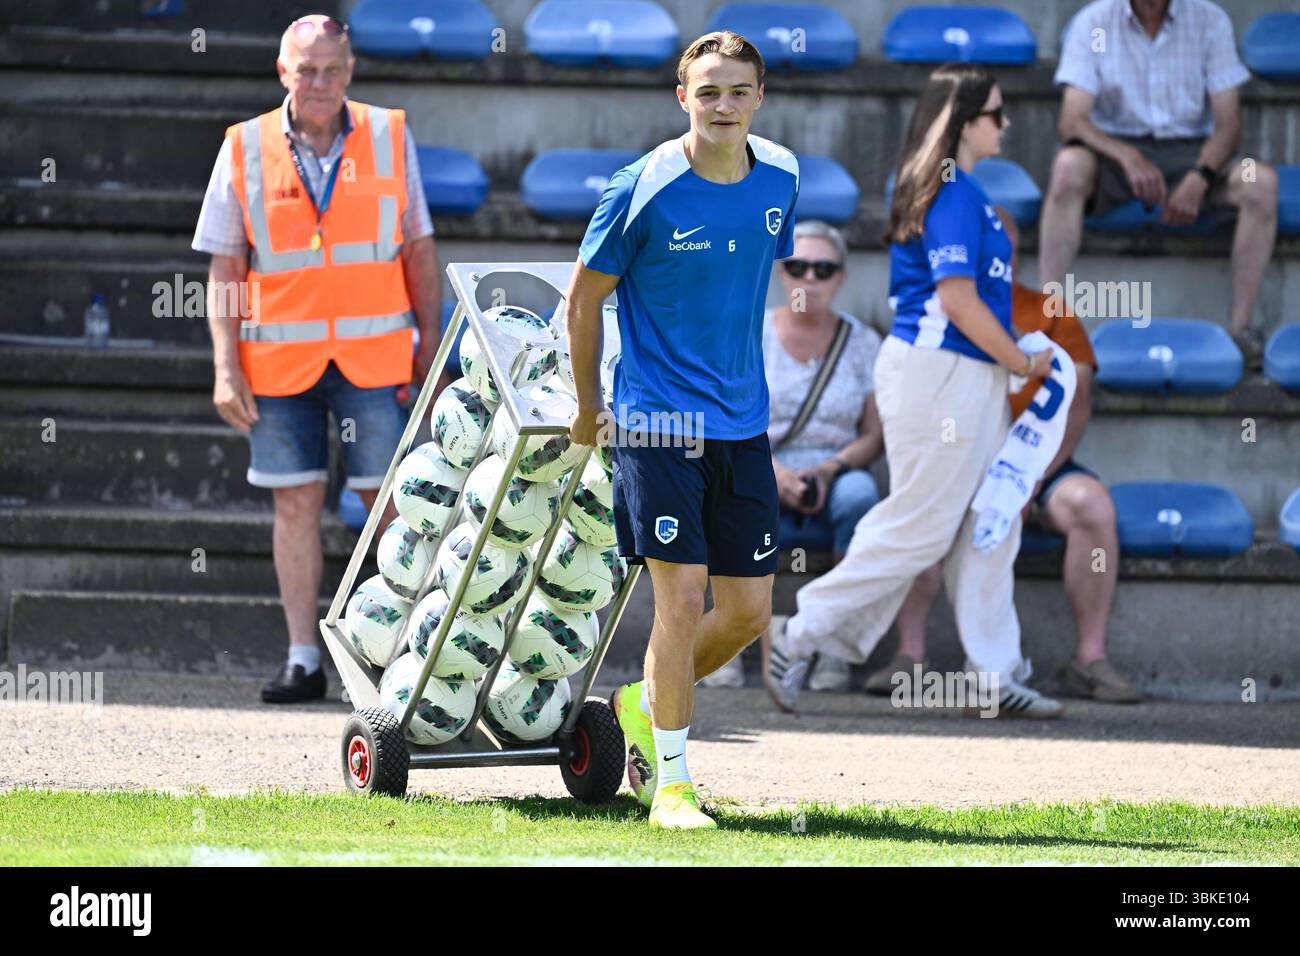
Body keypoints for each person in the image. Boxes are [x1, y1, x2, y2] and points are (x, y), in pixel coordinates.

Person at [761, 63, 1064, 719]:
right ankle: (799, 632)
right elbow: (955, 300)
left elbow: (972, 299)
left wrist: (1013, 357)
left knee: (992, 519)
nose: (1005, 124)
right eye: (995, 113)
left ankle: (993, 672)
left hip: (963, 373)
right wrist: (1021, 360)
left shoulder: (959, 191)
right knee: (922, 526)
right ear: (963, 122)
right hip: (939, 373)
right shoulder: (949, 191)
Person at [567, 31, 799, 829]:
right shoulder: (641, 188)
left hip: (744, 426)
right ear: (682, 98)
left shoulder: (784, 178)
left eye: (738, 91)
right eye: (708, 92)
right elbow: (584, 299)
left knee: (748, 614)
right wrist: (588, 406)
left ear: (759, 97)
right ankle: (671, 784)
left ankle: (639, 701)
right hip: (655, 423)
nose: (723, 105)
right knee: (682, 598)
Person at [193, 14, 444, 704]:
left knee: (390, 506)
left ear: (351, 69)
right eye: (307, 70)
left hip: (375, 357)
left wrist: (428, 345)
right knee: (296, 503)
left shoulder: (390, 135)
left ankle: (399, 656)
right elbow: (226, 266)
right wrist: (224, 366)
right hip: (279, 365)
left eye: (333, 69)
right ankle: (304, 658)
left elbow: (418, 247)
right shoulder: (243, 147)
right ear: (283, 72)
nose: (321, 83)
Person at [872, 208, 1142, 703]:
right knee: (926, 505)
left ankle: (1090, 657)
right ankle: (909, 657)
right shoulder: (940, 308)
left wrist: (1031, 478)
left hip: (1040, 461)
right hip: (961, 457)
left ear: (1013, 254)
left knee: (1093, 506)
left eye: (999, 247)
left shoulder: (1050, 311)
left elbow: (1076, 402)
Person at [1038, 0, 1278, 365]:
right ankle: (1049, 320)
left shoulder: (1209, 22)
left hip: (1192, 154)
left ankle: (1240, 331)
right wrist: (1126, 157)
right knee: (1066, 167)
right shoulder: (1094, 24)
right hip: (1114, 155)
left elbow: (1229, 126)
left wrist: (1201, 175)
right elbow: (1072, 121)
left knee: (1260, 181)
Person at [702, 220, 883, 692]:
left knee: (862, 497)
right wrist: (775, 473)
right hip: (758, 457)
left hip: (838, 467)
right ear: (782, 272)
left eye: (823, 269)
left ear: (842, 277)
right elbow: (729, 418)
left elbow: (874, 435)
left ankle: (833, 649)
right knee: (725, 491)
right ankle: (725, 646)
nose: (809, 279)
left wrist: (830, 468)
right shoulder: (751, 333)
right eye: (798, 266)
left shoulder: (864, 344)